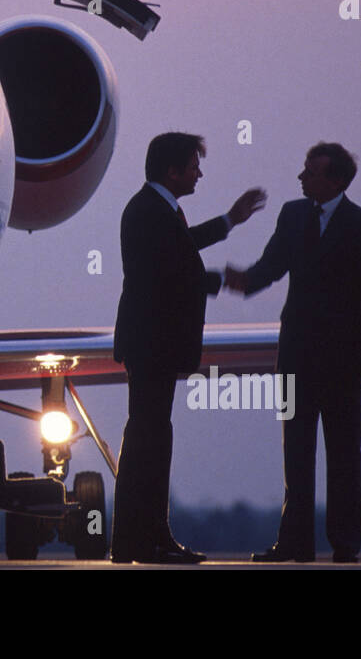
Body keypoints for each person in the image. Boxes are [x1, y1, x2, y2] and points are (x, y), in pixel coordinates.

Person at [225, 142, 361, 563]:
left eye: (310, 172)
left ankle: (345, 543)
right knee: (296, 452)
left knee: (344, 454)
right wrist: (242, 281)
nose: (301, 178)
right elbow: (273, 264)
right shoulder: (293, 215)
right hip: (297, 355)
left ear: (335, 180)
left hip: (342, 360)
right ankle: (295, 542)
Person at [110, 132, 266, 564]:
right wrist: (224, 281)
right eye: (194, 166)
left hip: (152, 346)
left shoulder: (157, 209)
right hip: (152, 345)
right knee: (148, 440)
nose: (200, 173)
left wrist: (230, 220)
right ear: (171, 171)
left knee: (150, 438)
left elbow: (181, 248)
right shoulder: (150, 212)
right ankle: (142, 541)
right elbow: (172, 272)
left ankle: (143, 539)